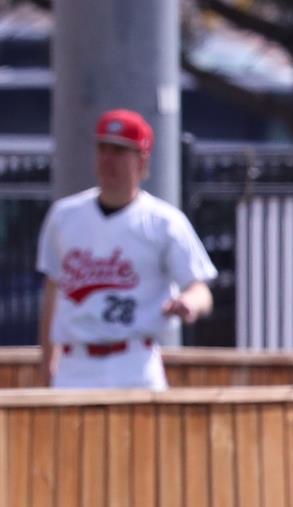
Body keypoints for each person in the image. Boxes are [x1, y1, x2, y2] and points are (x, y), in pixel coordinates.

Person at [36, 109, 217, 390]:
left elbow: (200, 289)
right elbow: (52, 291)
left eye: (120, 151)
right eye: (103, 149)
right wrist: (48, 361)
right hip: (75, 363)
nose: (108, 159)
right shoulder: (64, 216)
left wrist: (189, 302)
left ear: (142, 159)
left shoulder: (162, 221)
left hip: (135, 361)